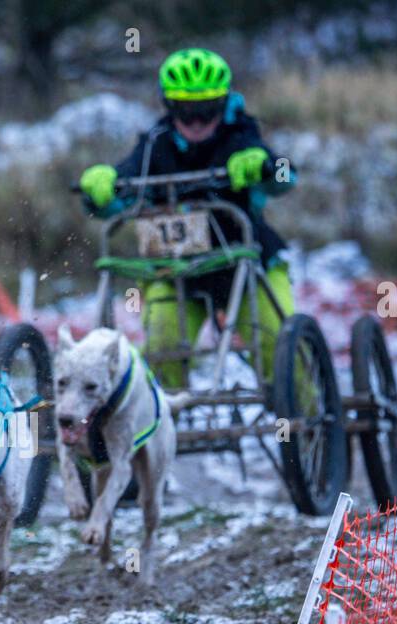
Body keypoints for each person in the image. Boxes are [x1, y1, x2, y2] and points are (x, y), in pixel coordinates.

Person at [79, 48, 296, 388]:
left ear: (223, 105)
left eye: (206, 110)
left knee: (281, 346)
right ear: (169, 107)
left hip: (249, 265)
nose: (196, 122)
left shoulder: (243, 136)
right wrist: (99, 193)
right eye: (186, 110)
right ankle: (163, 426)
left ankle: (308, 424)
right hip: (176, 271)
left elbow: (287, 177)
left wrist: (265, 168)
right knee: (163, 343)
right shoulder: (154, 145)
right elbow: (121, 195)